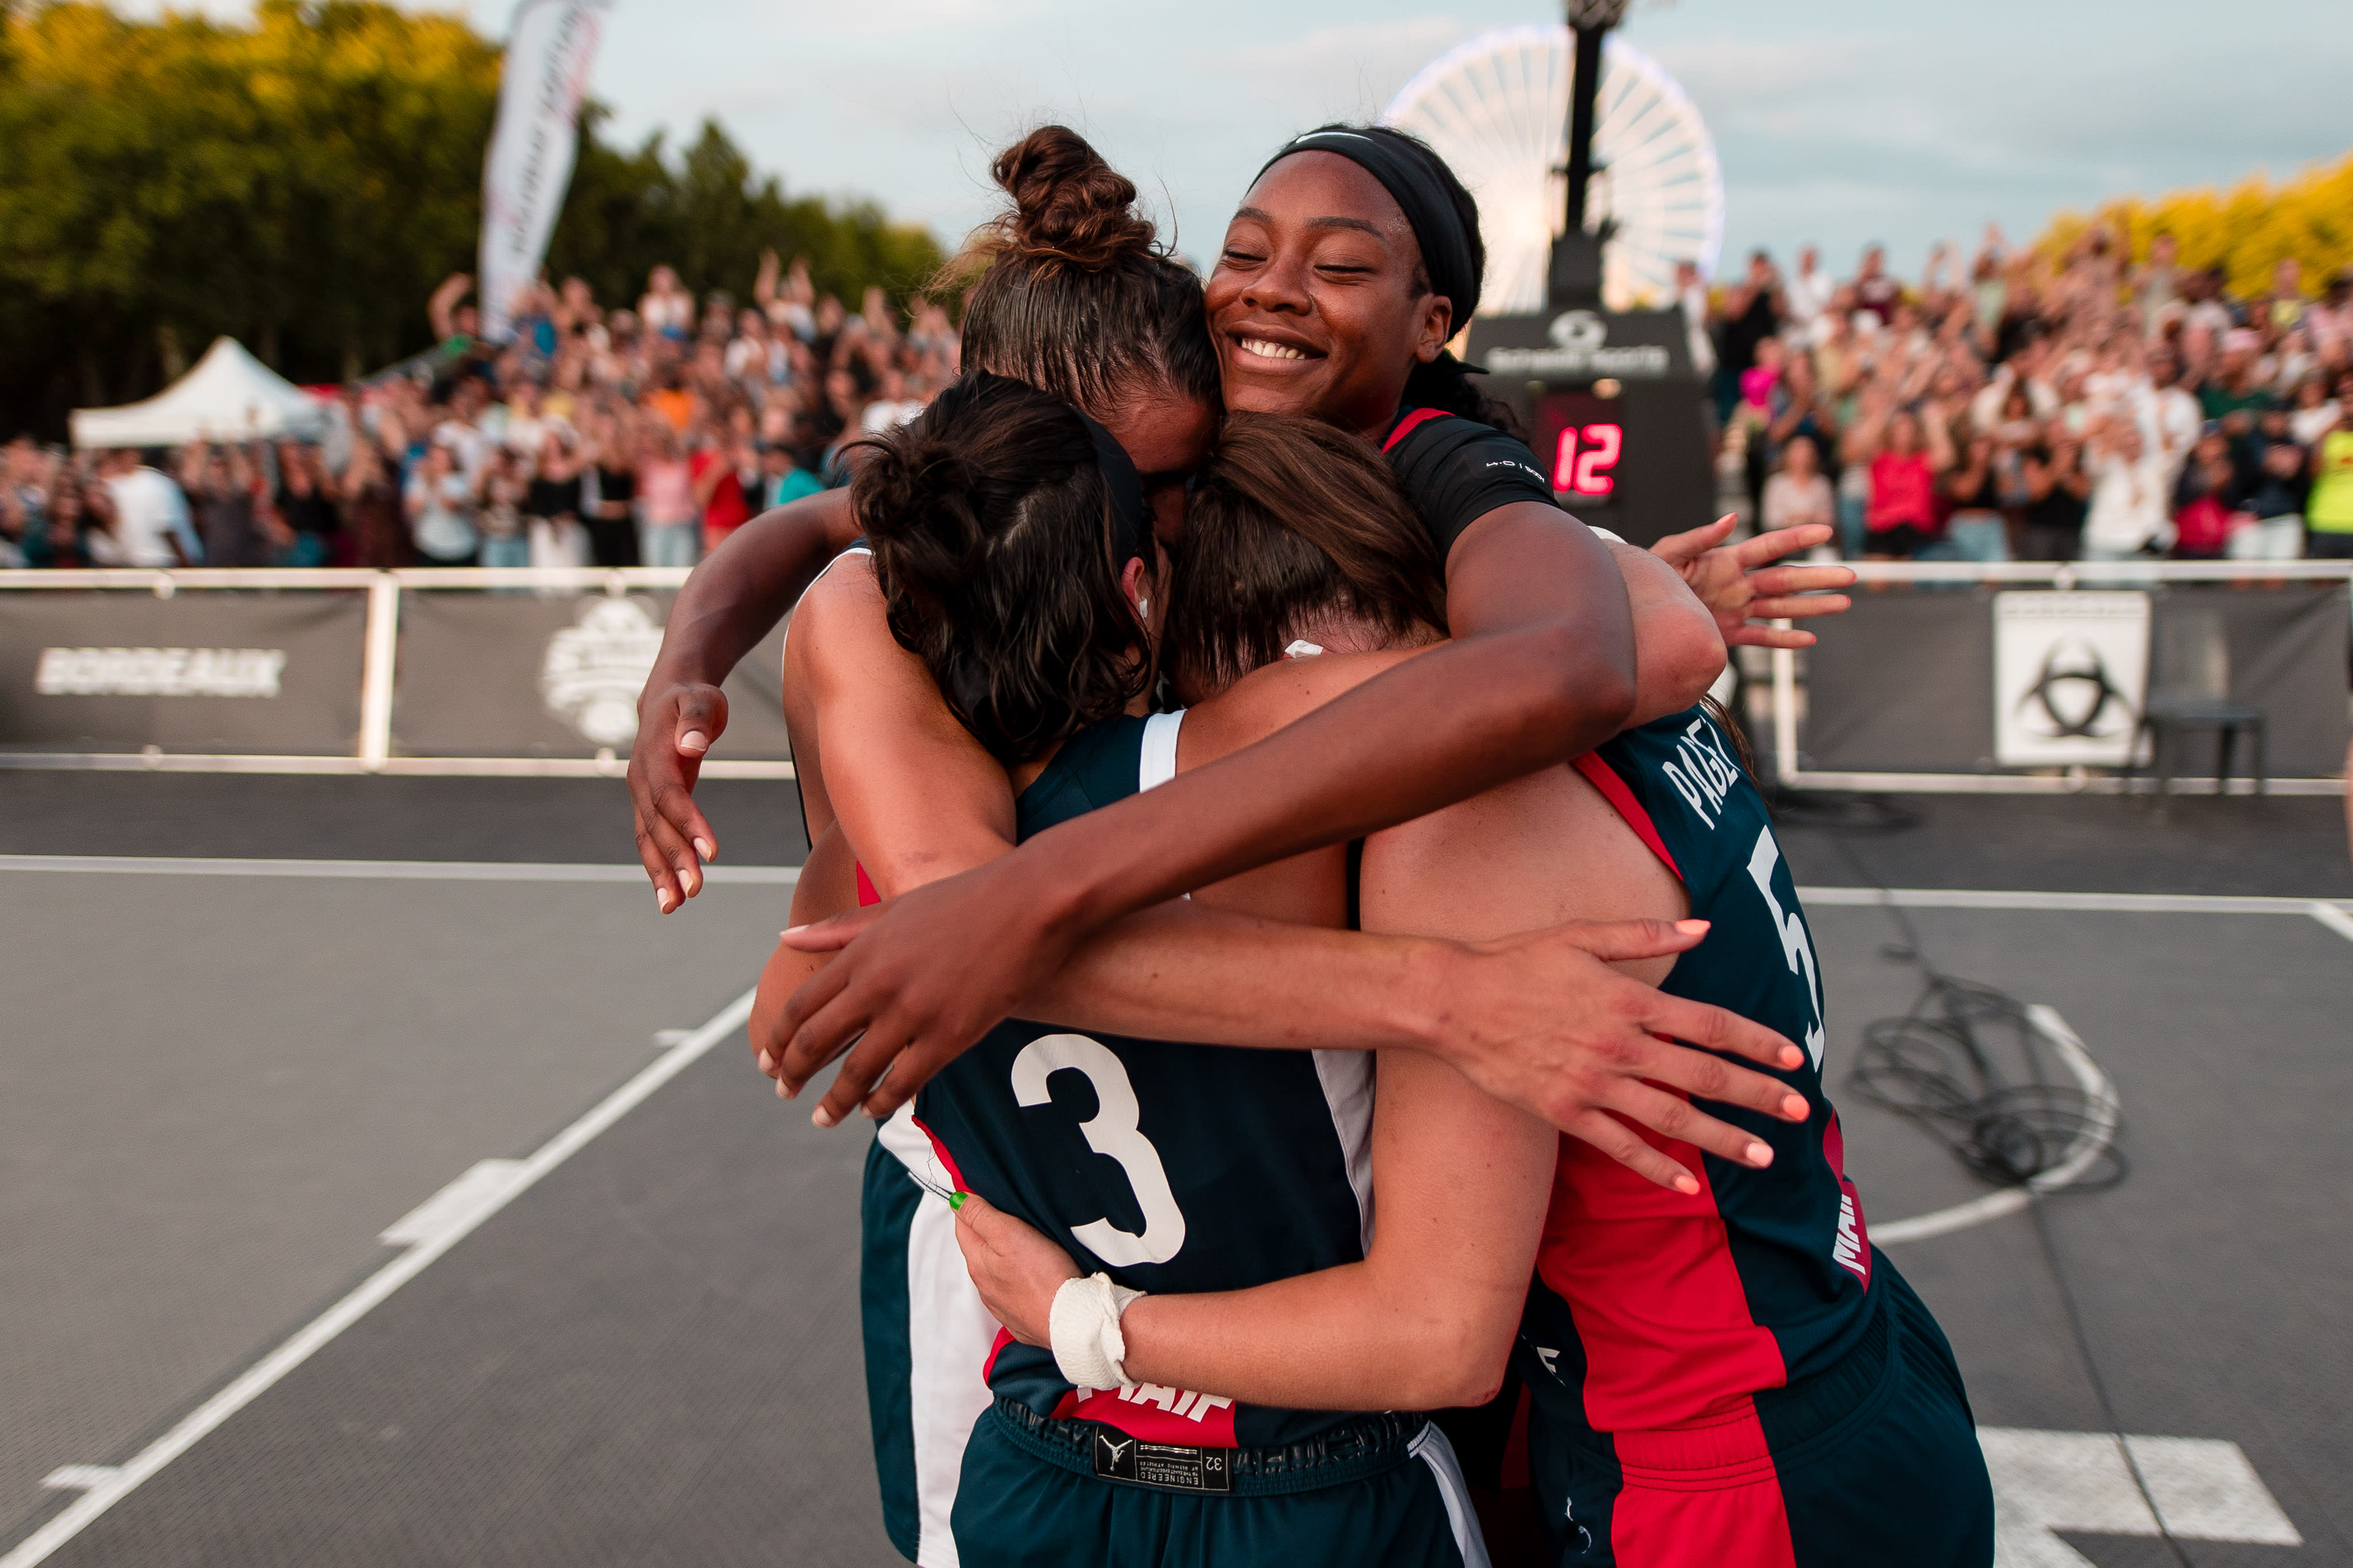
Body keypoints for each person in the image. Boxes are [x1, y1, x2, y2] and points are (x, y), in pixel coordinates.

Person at [740, 126, 1838, 1565]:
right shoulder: (1278, 732)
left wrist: (704, 654)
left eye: (1183, 482)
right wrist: (1444, 989)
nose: (1153, 519)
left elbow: (872, 952)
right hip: (1287, 1433)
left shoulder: (867, 632)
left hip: (1049, 1397)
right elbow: (1636, 649)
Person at [939, 405, 1993, 1568]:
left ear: (1272, 672)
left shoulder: (1459, 824)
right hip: (1839, 1348)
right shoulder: (1625, 675)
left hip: (1715, 1462)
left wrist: (1082, 1321)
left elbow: (1436, 1331)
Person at [404, 441, 479, 566]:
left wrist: (435, 483)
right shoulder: (420, 480)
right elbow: (413, 509)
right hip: (430, 546)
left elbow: (451, 507)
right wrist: (425, 483)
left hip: (460, 548)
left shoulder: (460, 480)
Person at [2304, 398, 2353, 559]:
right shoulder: (2329, 437)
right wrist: (2324, 434)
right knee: (2321, 577)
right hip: (2325, 519)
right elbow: (2313, 472)